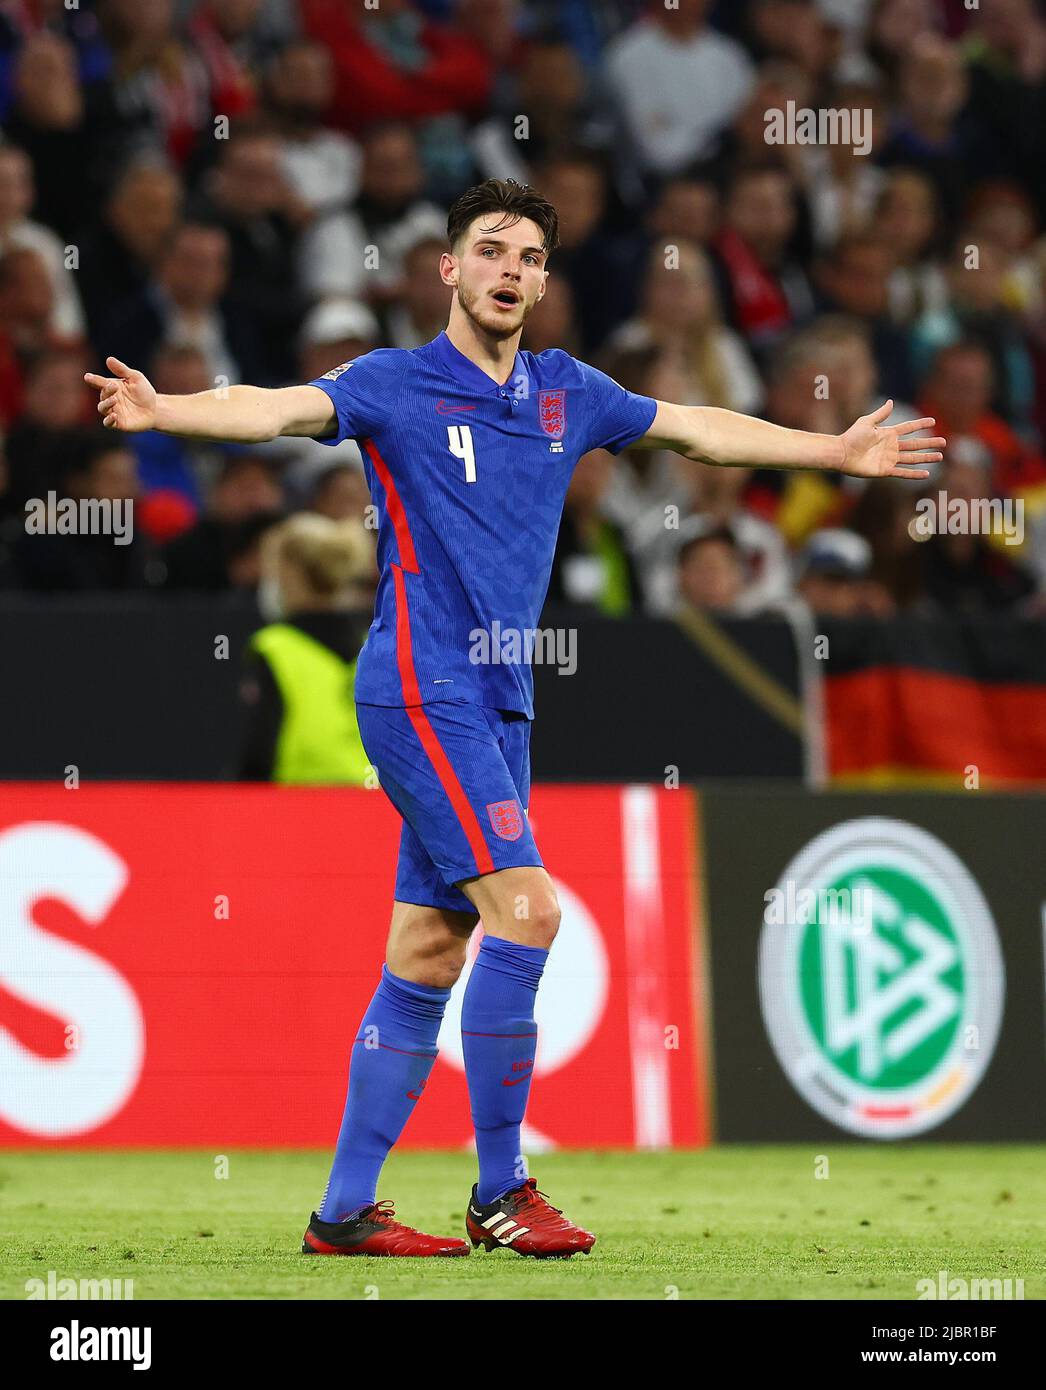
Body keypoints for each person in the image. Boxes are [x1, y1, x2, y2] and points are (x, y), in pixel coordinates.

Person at [86, 177, 944, 1260]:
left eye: (529, 257)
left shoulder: (565, 392)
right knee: (528, 912)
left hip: (498, 702)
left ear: (542, 280)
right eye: (489, 250)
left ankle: (344, 1213)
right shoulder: (394, 383)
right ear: (446, 269)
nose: (509, 271)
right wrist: (169, 410)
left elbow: (695, 431)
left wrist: (830, 453)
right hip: (419, 682)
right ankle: (501, 1189)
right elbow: (279, 405)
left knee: (428, 945)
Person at [239, 513, 374, 784]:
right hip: (367, 804)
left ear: (290, 572)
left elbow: (260, 748)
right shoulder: (370, 649)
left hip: (297, 805)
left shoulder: (274, 647)